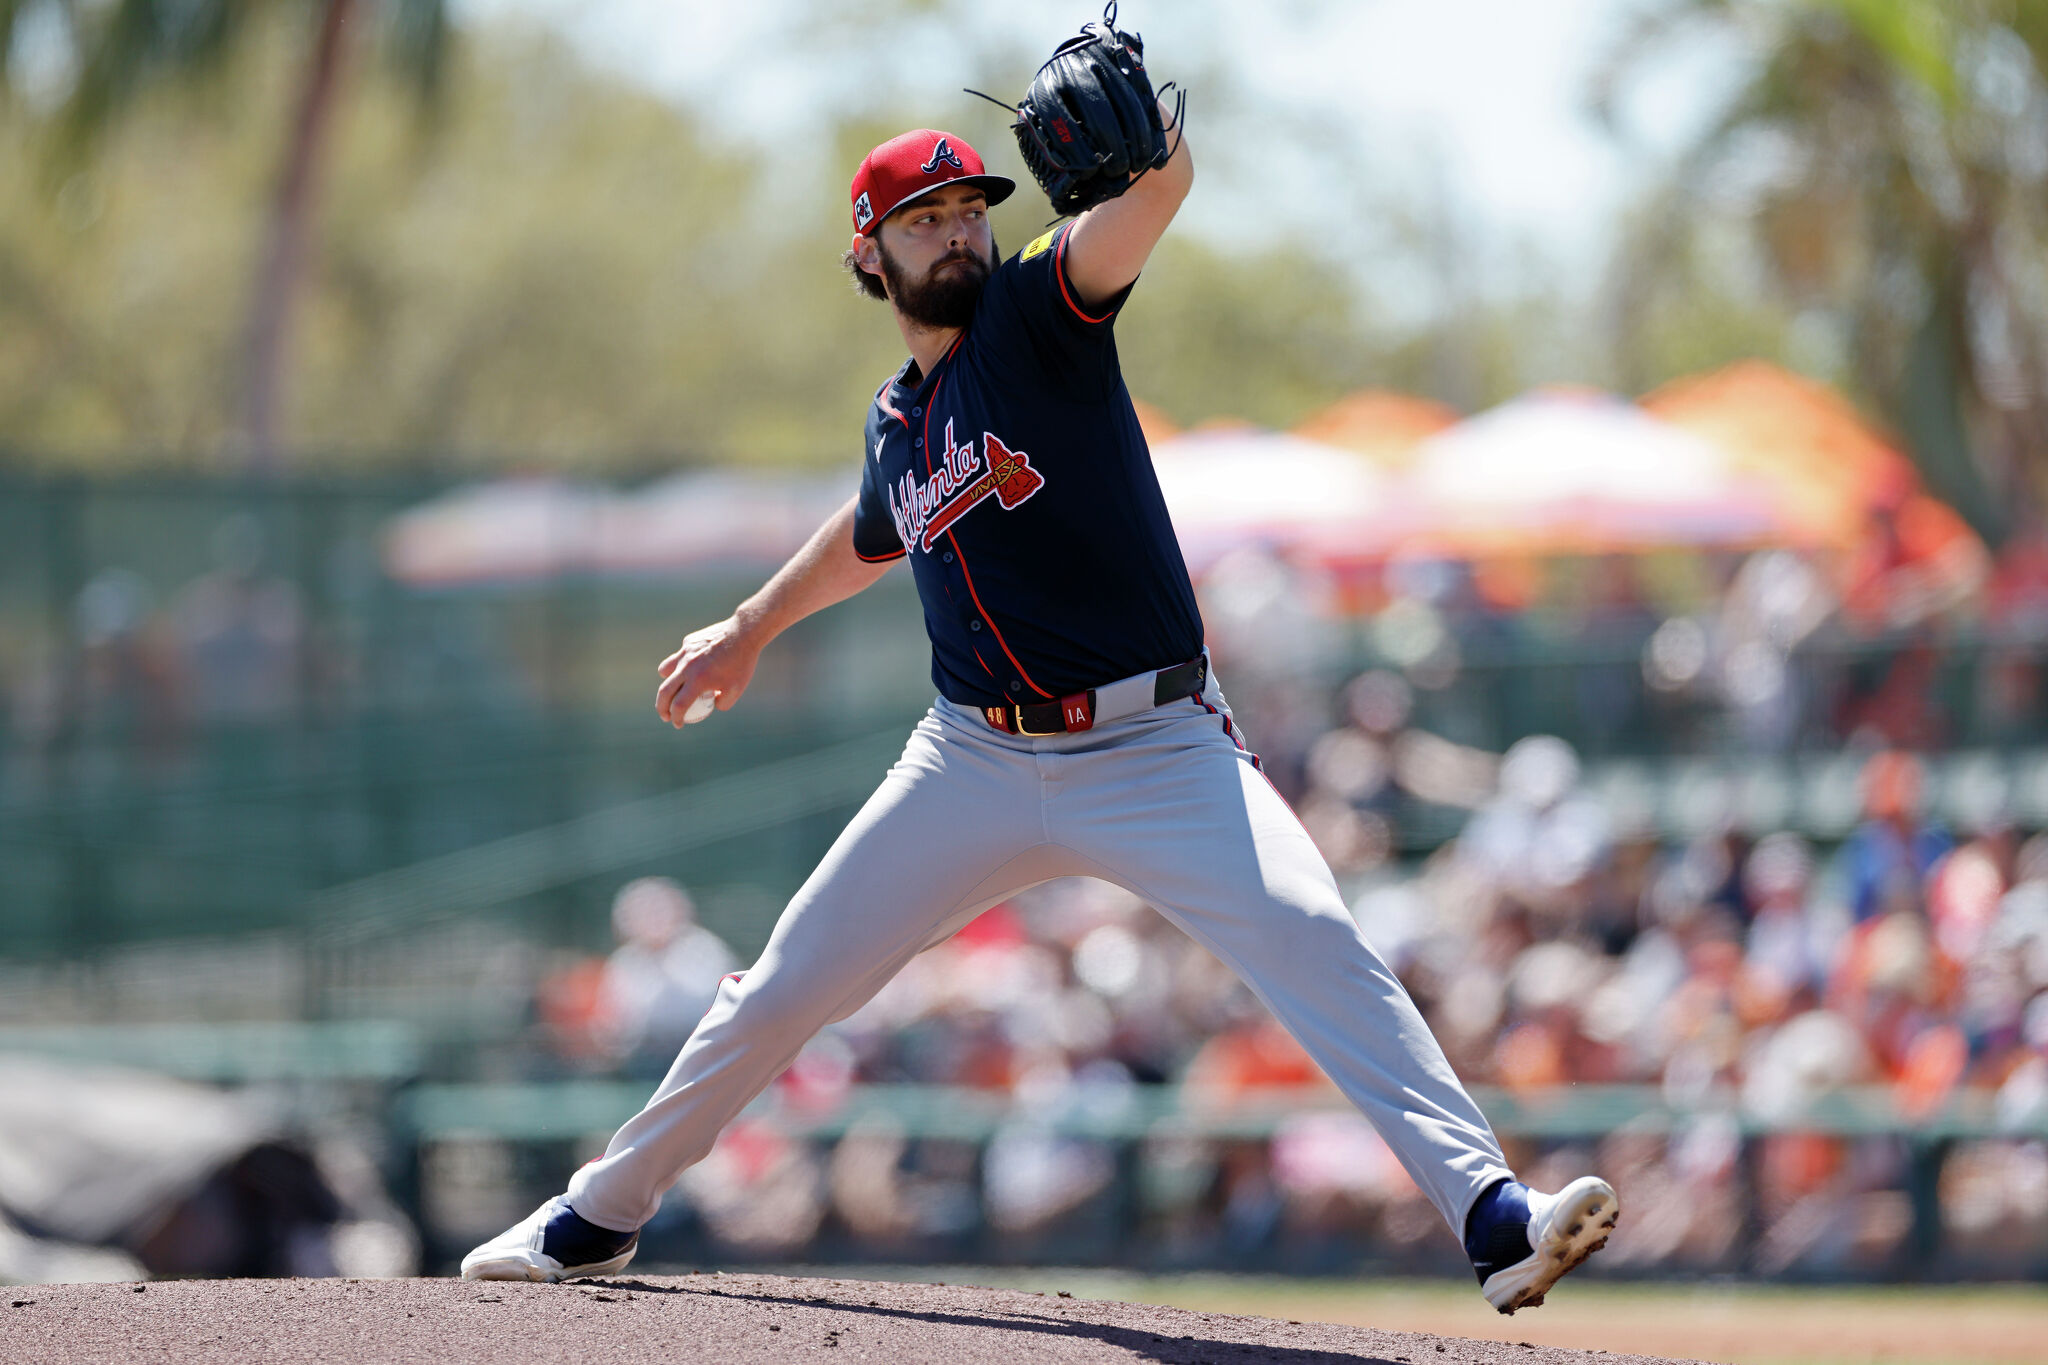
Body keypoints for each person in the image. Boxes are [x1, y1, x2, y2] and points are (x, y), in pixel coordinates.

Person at [460, 99, 1617, 1313]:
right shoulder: (897, 420)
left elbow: (1147, 209)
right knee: (784, 983)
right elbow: (869, 534)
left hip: (1154, 741)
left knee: (1310, 937)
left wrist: (1160, 155)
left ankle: (1493, 1219)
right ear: (869, 254)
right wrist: (748, 629)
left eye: (969, 210)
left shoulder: (1032, 314)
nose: (958, 233)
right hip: (970, 759)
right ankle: (598, 1216)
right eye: (926, 219)